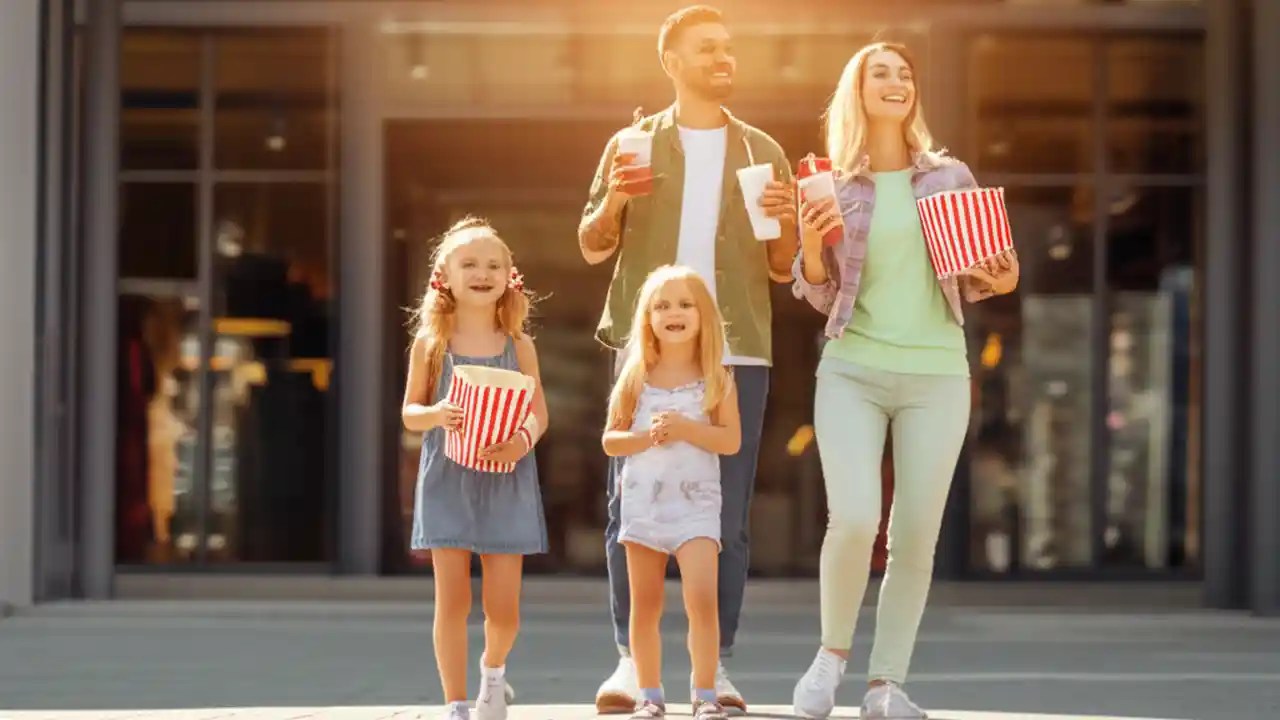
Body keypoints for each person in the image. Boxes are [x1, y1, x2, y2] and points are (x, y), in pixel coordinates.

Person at [788, 42, 1019, 720]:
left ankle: (885, 685)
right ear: (856, 91)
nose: (895, 83)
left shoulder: (950, 176)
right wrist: (807, 241)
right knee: (857, 517)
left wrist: (1002, 275)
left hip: (937, 374)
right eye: (878, 73)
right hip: (852, 368)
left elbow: (983, 276)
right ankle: (829, 661)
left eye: (905, 75)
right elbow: (818, 291)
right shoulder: (833, 183)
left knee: (916, 531)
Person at [578, 6, 798, 713]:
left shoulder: (764, 150)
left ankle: (717, 668)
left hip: (735, 353)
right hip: (645, 353)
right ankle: (626, 663)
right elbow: (590, 245)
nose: (723, 59)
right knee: (628, 506)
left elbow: (781, 263)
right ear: (671, 61)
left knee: (726, 515)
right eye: (708, 49)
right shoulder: (631, 144)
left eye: (729, 48)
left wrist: (790, 220)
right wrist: (614, 197)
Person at [401, 217, 549, 720]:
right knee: (453, 602)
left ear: (510, 276)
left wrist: (520, 442)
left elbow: (539, 413)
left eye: (494, 264)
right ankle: (456, 704)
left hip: (509, 481)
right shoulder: (430, 343)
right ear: (445, 274)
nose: (483, 273)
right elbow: (409, 412)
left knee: (503, 612)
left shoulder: (519, 345)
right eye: (470, 263)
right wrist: (438, 415)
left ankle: (493, 673)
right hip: (447, 478)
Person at [603, 265, 742, 720]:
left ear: (704, 316)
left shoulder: (717, 376)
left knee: (702, 601)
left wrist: (685, 428)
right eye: (662, 306)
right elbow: (611, 439)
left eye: (685, 304)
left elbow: (730, 441)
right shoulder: (635, 374)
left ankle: (704, 693)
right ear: (647, 318)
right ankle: (650, 695)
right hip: (642, 504)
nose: (674, 313)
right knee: (645, 606)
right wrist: (647, 438)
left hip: (696, 507)